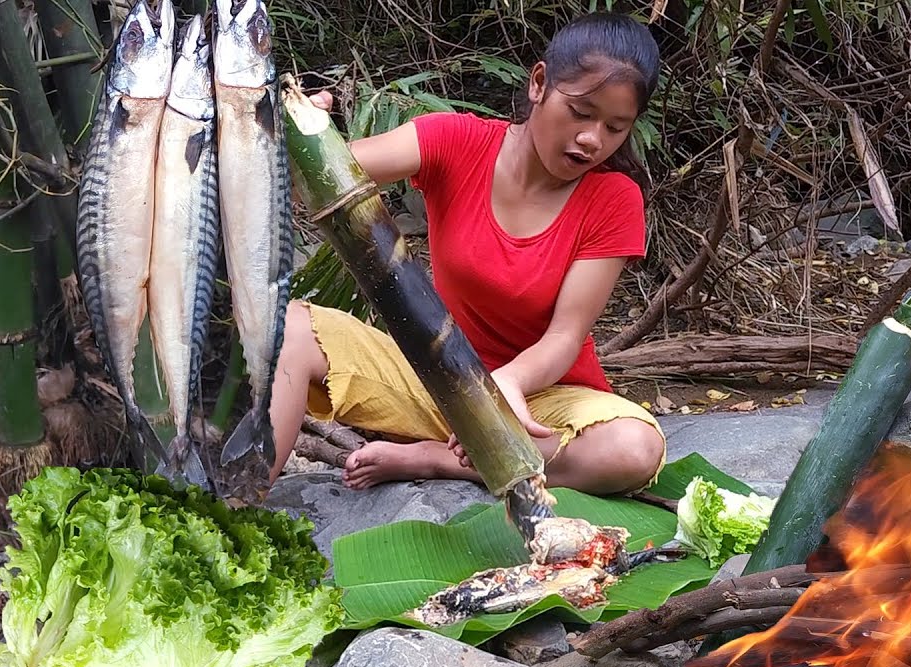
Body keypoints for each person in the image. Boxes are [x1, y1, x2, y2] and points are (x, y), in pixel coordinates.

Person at [268, 12, 668, 497]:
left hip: (539, 402)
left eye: (615, 127)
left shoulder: (613, 198)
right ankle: (237, 511)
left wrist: (510, 386)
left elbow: (566, 336)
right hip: (435, 376)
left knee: (631, 449)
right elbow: (323, 173)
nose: (592, 139)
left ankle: (444, 460)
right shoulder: (456, 141)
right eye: (581, 112)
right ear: (539, 83)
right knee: (291, 328)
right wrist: (297, 131)